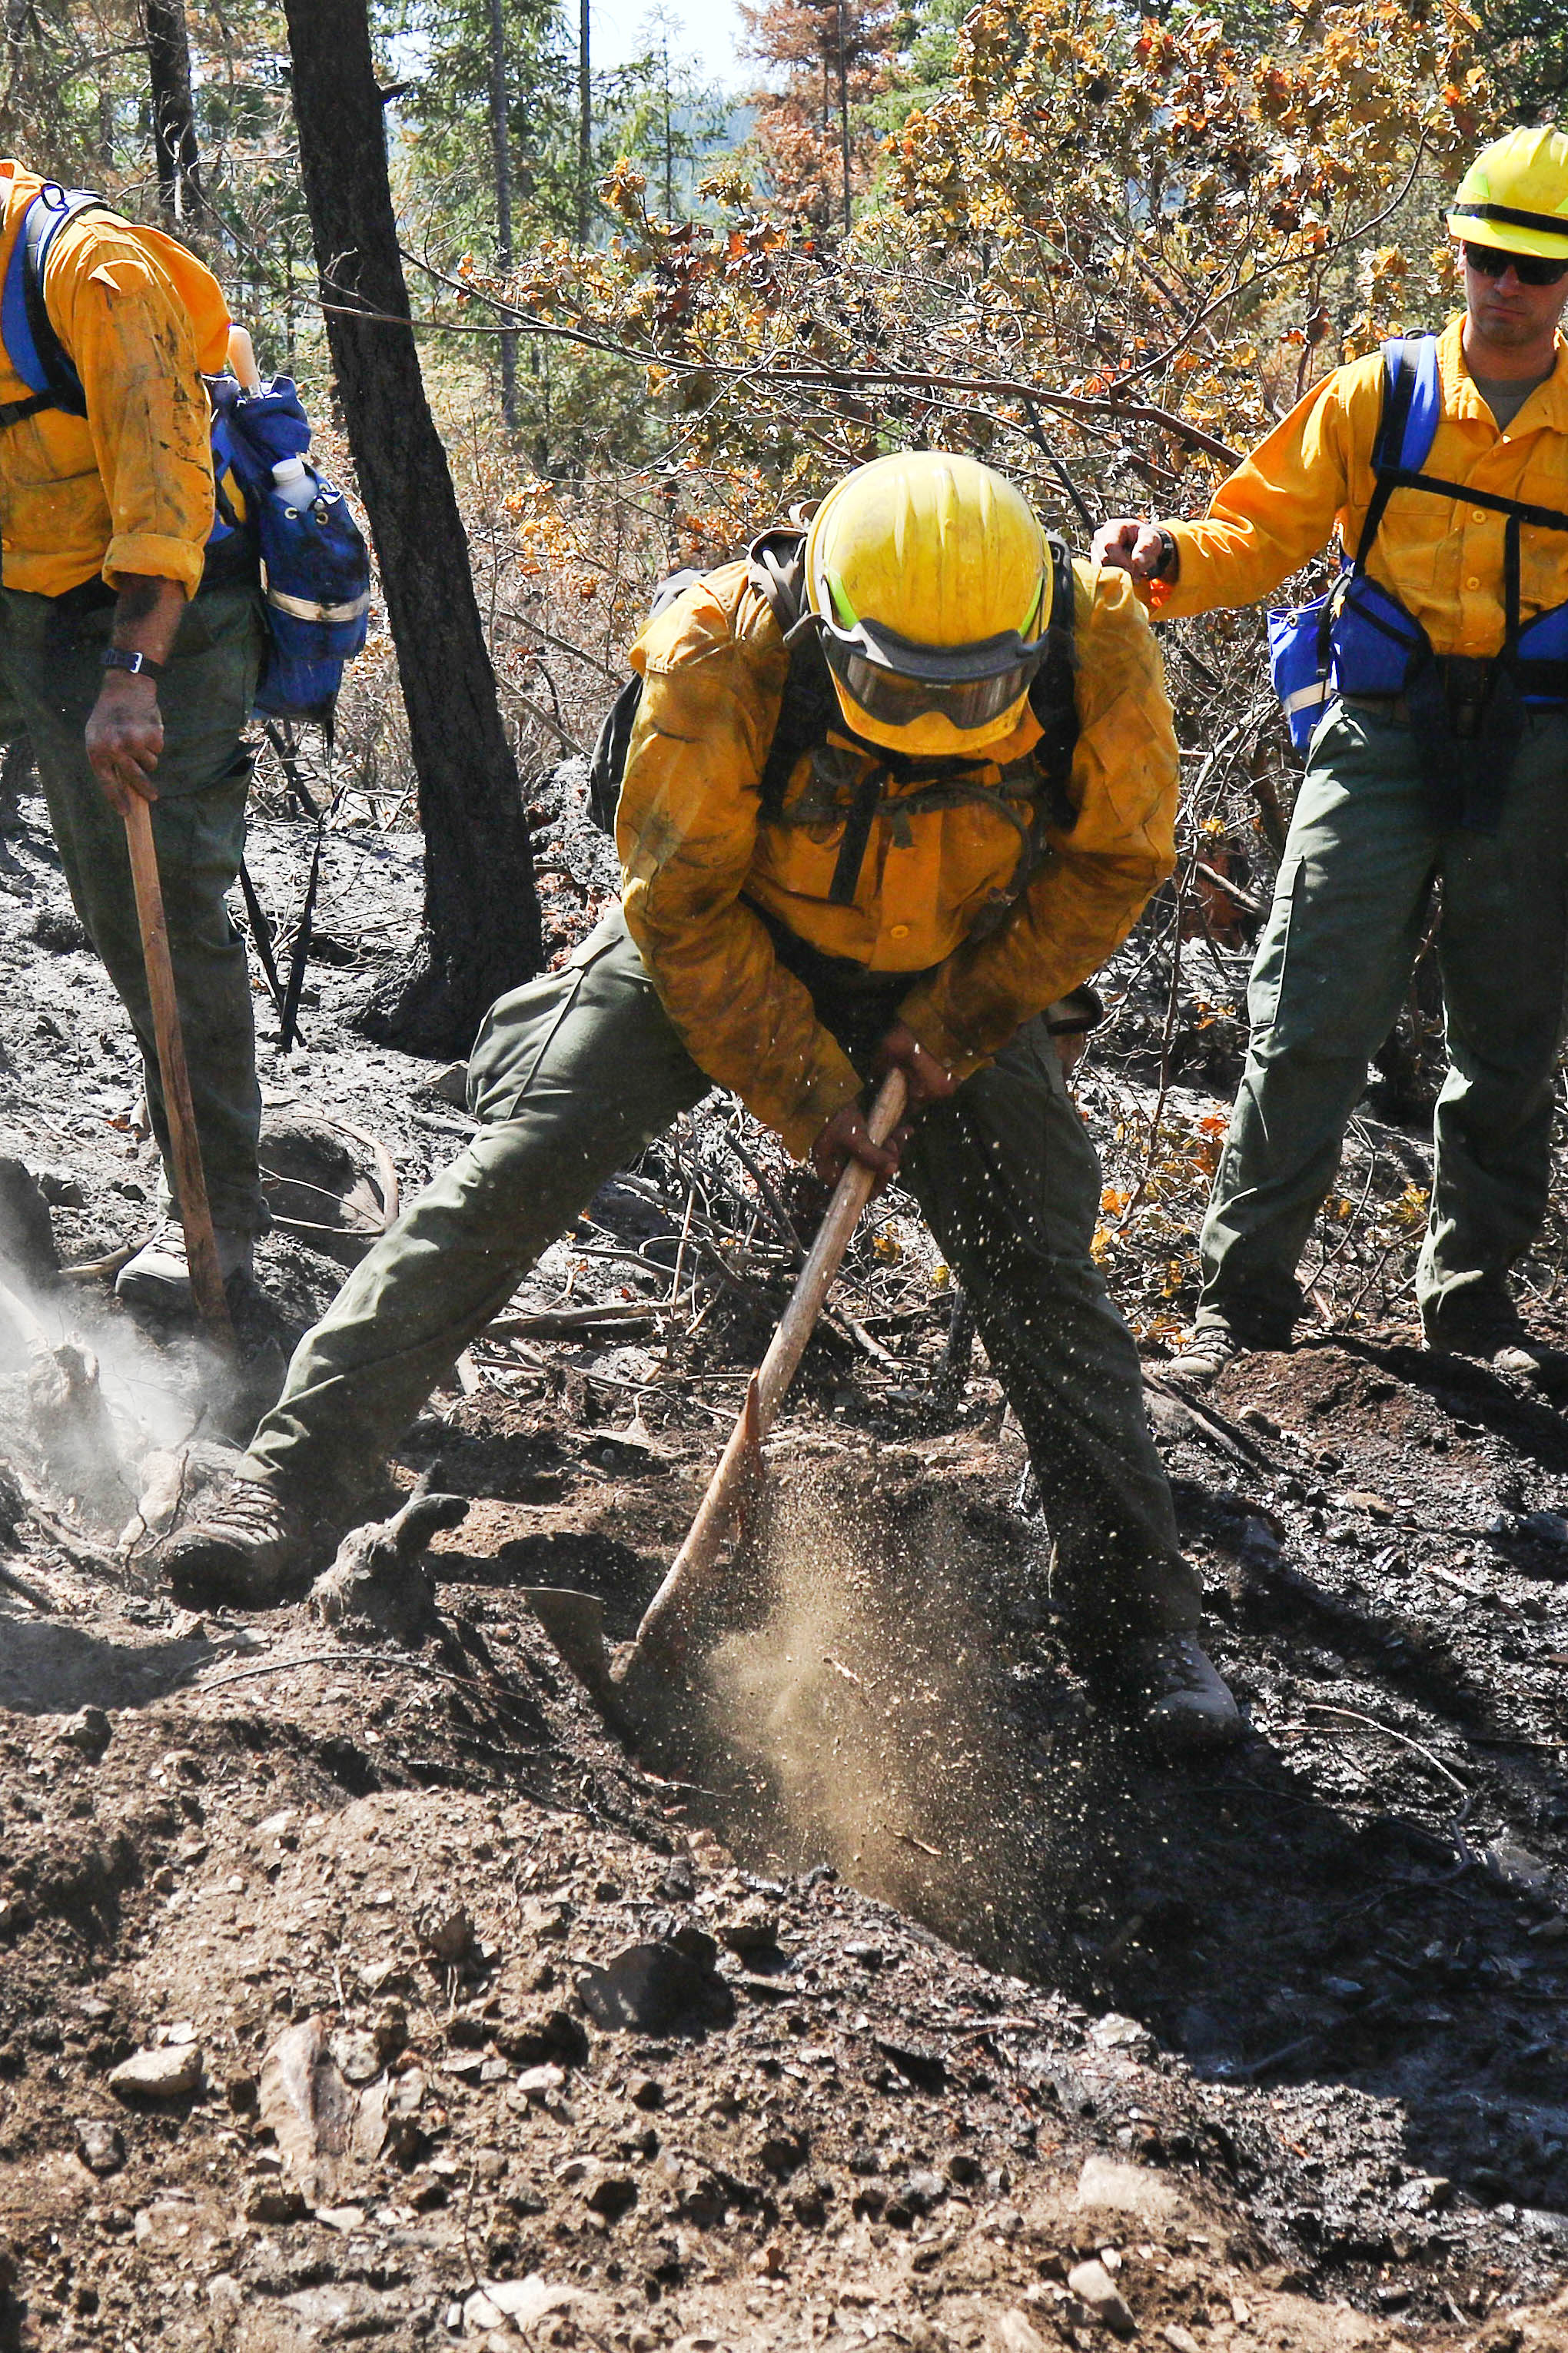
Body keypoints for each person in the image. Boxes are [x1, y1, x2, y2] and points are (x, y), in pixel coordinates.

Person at [158, 449, 1241, 1753]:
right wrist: (808, 1089)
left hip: (956, 969)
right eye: (900, 688)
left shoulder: (1099, 644)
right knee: (524, 1166)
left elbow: (1116, 861)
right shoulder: (724, 656)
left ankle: (1139, 1623)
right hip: (729, 943)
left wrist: (956, 1022)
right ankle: (290, 1479)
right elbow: (679, 908)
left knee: (1046, 1265)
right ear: (832, 628)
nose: (943, 726)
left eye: (977, 694)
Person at [1094, 127, 1568, 1384]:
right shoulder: (1383, 395)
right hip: (1380, 740)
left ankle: (1473, 1307)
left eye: (1536, 263)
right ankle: (1241, 1298)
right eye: (1487, 258)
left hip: (1537, 756)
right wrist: (1164, 560)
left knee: (1510, 1039)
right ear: (1454, 254)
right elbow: (1255, 529)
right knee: (1307, 1012)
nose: (1507, 286)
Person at [0, 164, 267, 1308]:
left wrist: (131, 673)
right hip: (27, 587)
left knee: (144, 903)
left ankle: (221, 1228)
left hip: (164, 605)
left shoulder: (92, 274)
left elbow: (169, 496)